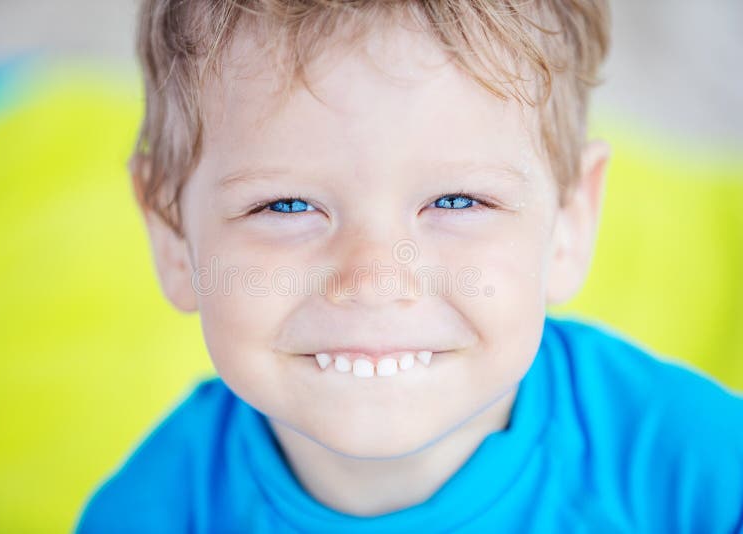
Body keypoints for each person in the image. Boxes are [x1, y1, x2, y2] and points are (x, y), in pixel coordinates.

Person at [75, 1, 743, 531]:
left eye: (457, 200)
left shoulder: (699, 471)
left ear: (569, 221)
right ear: (172, 236)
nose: (373, 281)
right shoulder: (149, 512)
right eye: (286, 206)